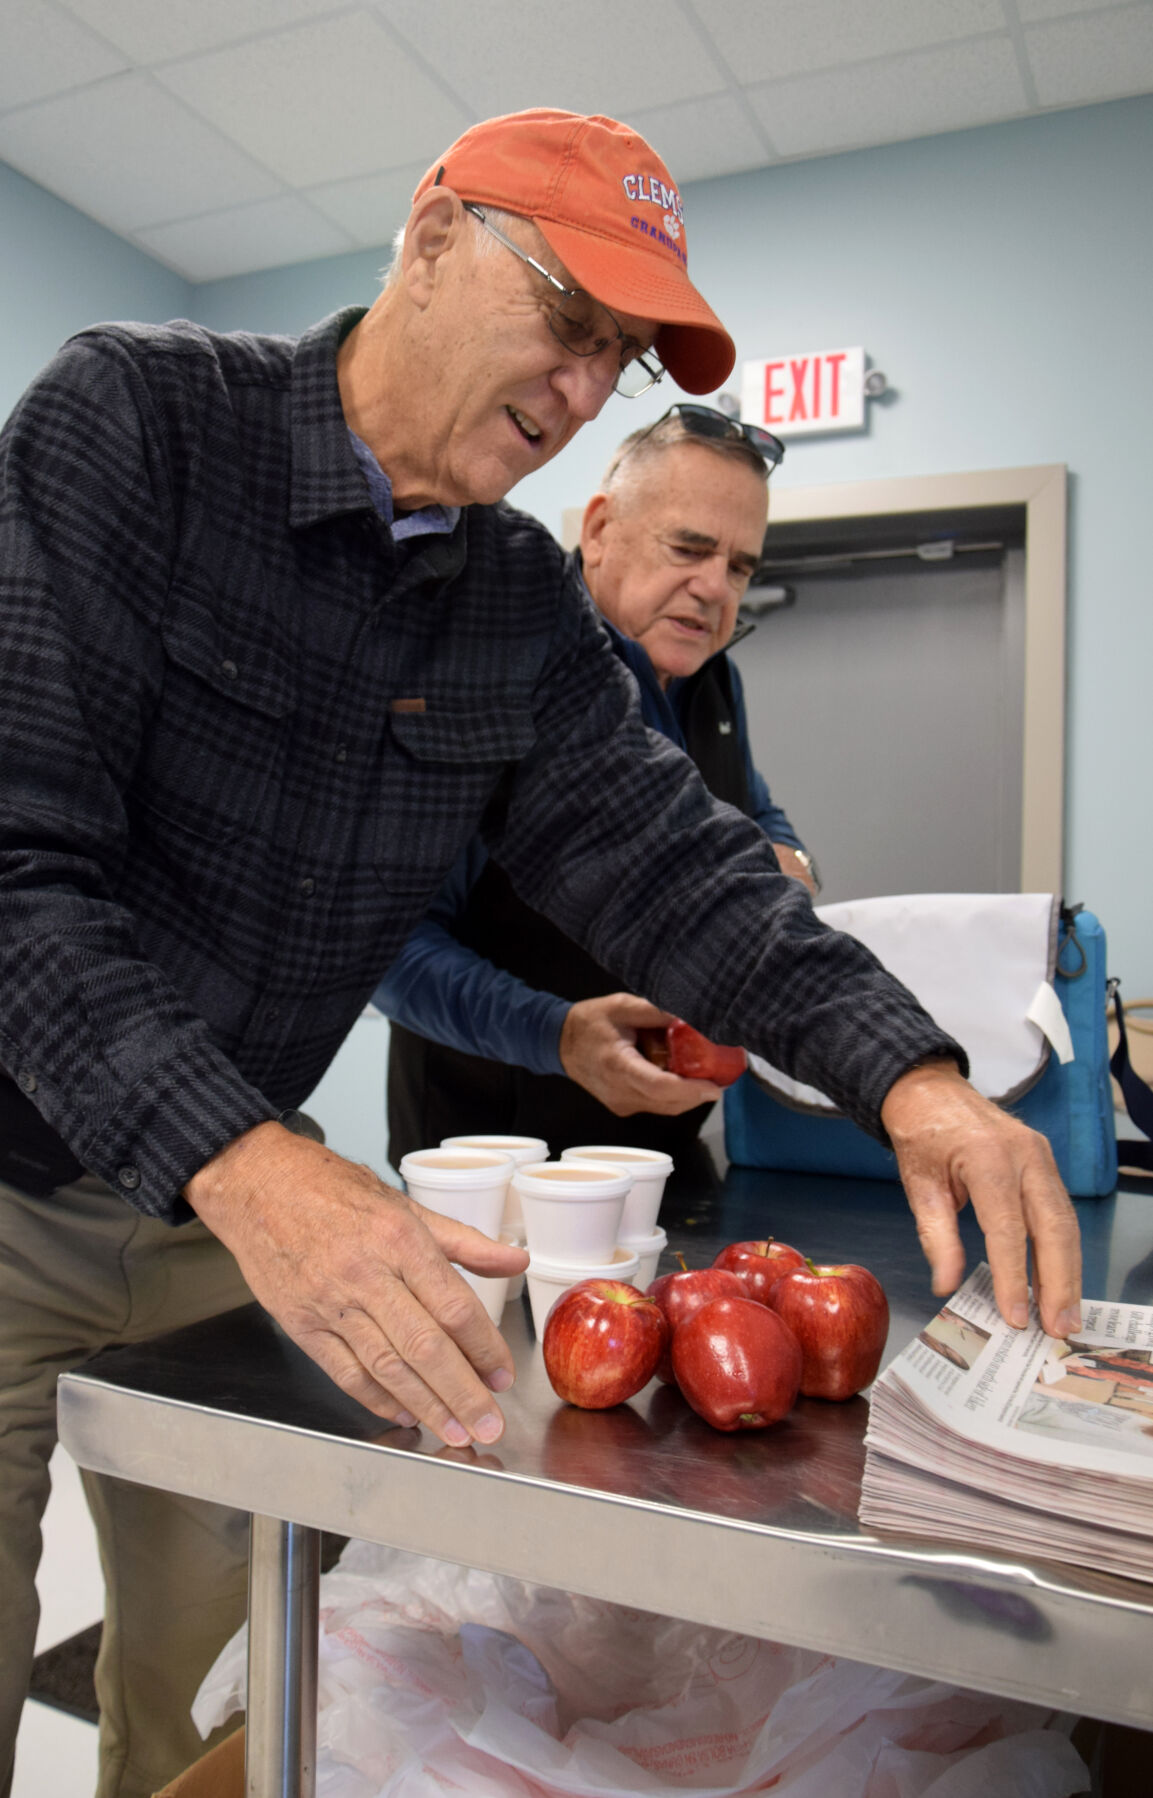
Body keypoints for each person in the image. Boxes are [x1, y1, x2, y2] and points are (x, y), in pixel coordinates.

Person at [0, 108, 1081, 1796]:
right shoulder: (134, 421)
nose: (584, 392)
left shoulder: (509, 602)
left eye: (619, 361)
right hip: (28, 1171)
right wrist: (252, 1157)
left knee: (217, 1689)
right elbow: (14, 872)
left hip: (210, 1212)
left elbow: (679, 868)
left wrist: (912, 1074)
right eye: (567, 325)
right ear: (430, 235)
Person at [382, 404, 818, 1164]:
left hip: (660, 1152)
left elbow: (753, 805)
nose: (714, 587)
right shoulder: (491, 672)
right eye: (688, 547)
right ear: (600, 530)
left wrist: (790, 862)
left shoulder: (712, 681)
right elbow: (388, 949)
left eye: (740, 566)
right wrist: (557, 1035)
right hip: (493, 1157)